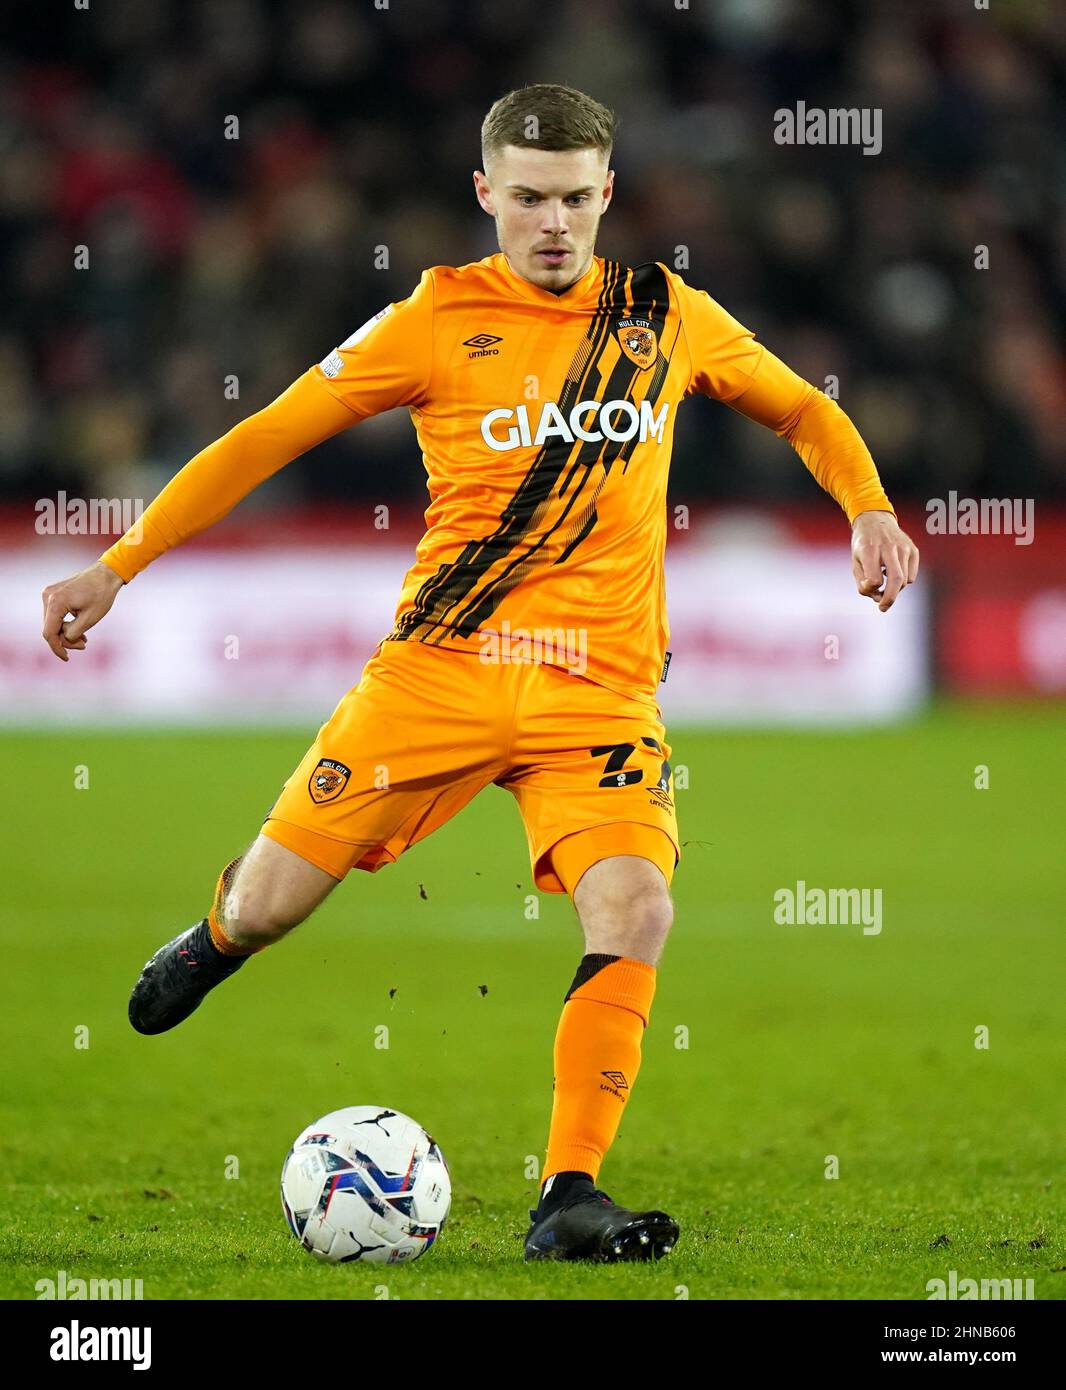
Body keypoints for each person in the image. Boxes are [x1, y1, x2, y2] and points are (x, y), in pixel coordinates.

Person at [40, 83, 919, 1263]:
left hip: (596, 693)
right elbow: (263, 437)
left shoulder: (666, 312)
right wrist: (118, 564)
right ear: (485, 195)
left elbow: (806, 410)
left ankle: (568, 1193)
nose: (552, 223)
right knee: (270, 902)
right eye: (527, 200)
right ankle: (216, 938)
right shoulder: (434, 319)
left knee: (637, 905)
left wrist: (866, 506)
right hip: (436, 679)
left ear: (606, 195)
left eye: (573, 199)